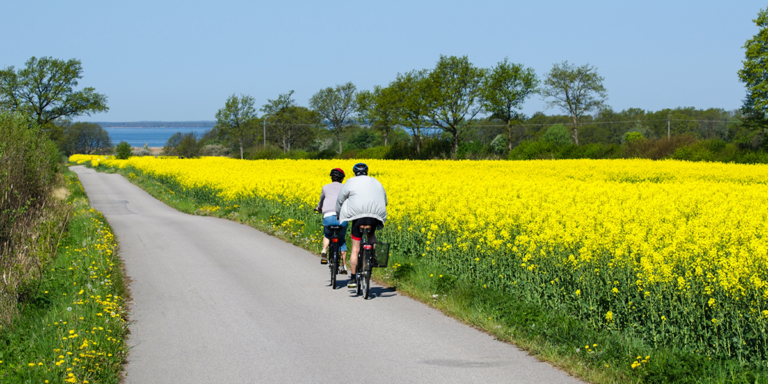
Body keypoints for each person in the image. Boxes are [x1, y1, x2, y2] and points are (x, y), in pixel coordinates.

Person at [335, 163, 387, 288]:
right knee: (371, 234)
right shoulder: (376, 182)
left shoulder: (350, 182)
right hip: (373, 217)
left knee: (355, 249)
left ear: (354, 173)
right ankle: (373, 257)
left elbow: (340, 199)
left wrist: (338, 213)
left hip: (357, 218)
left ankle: (353, 278)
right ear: (367, 172)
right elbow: (385, 200)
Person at [315, 168, 348, 272]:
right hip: (342, 218)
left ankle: (324, 250)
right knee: (341, 240)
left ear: (331, 177)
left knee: (327, 235)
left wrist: (319, 208)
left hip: (328, 217)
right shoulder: (345, 188)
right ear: (342, 178)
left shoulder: (325, 187)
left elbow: (321, 202)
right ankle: (344, 266)